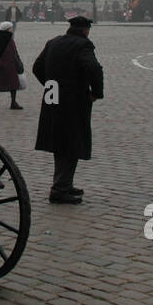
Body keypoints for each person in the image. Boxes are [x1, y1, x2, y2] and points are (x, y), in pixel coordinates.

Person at [32, 15, 104, 205]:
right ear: (86, 30)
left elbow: (37, 67)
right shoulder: (83, 45)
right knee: (71, 139)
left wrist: (50, 84)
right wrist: (96, 93)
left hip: (52, 94)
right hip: (72, 98)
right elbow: (94, 69)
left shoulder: (53, 42)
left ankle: (64, 183)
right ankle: (60, 189)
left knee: (57, 138)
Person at [0, 21, 25, 110]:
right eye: (11, 28)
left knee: (14, 85)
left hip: (11, 65)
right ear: (7, 29)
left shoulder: (10, 39)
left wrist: (18, 61)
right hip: (2, 66)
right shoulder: (0, 39)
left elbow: (14, 51)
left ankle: (13, 102)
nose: (12, 29)